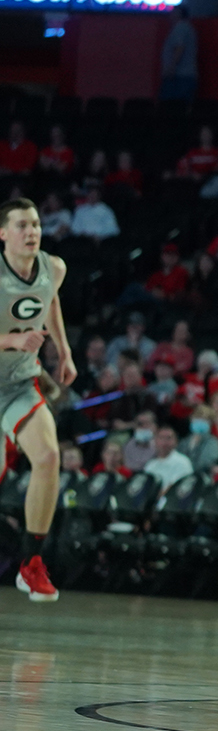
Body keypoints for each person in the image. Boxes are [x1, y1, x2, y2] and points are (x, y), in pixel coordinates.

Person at [0, 200, 75, 603]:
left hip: (18, 383)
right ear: (3, 234)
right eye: (22, 225)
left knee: (47, 457)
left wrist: (63, 351)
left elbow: (51, 300)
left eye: (36, 224)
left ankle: (30, 565)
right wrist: (11, 340)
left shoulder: (54, 268)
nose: (32, 232)